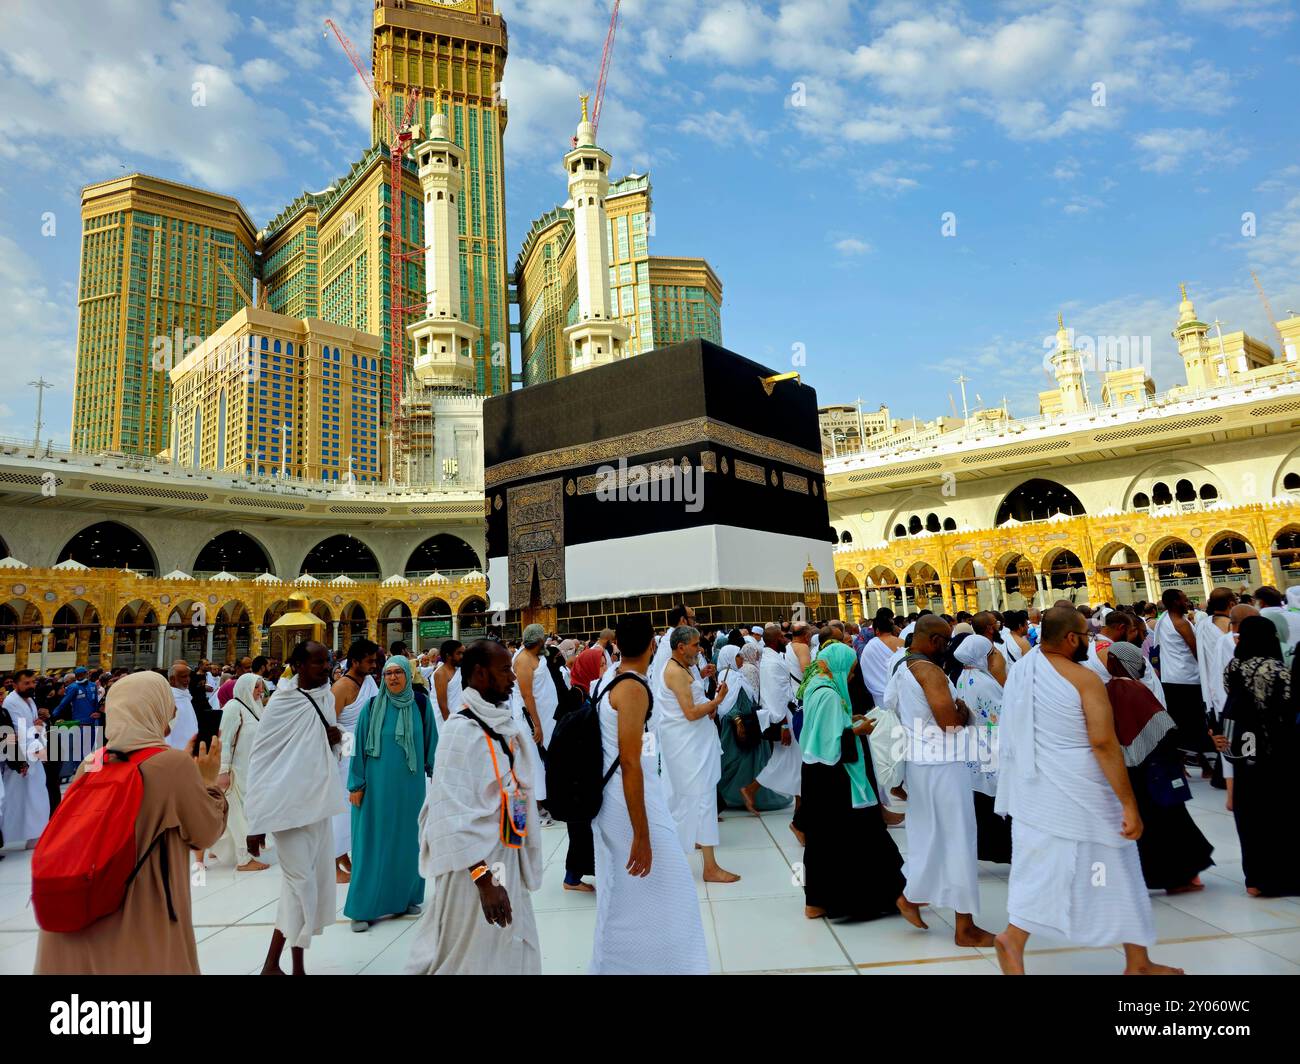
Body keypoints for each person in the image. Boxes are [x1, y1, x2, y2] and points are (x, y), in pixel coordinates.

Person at [994, 607, 1181, 975]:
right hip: (1081, 787)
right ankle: (1136, 962)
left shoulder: (1021, 671)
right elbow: (1102, 744)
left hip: (1033, 789)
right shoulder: (1083, 679)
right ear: (1070, 639)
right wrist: (1129, 803)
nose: (1089, 641)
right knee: (1118, 867)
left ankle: (1015, 939)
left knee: (1041, 869)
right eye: (1085, 635)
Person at [34, 672, 228, 974]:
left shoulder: (94, 760)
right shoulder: (171, 764)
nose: (173, 714)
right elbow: (205, 833)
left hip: (78, 912)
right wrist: (208, 782)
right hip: (137, 919)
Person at [406, 639, 543, 975]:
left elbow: (516, 788)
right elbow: (445, 814)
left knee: (508, 942)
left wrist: (519, 841)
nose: (513, 677)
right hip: (474, 868)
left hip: (505, 854)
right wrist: (484, 881)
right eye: (504, 670)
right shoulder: (459, 732)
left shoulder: (502, 723)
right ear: (480, 675)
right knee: (471, 954)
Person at [590, 615, 710, 973]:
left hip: (619, 795)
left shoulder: (608, 678)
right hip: (626, 798)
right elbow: (630, 761)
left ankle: (628, 962)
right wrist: (641, 832)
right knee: (670, 884)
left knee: (627, 888)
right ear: (652, 646)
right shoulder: (631, 688)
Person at [244, 641, 347, 976]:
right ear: (299, 665)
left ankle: (283, 965)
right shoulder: (282, 703)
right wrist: (255, 821)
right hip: (285, 808)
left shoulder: (327, 698)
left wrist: (338, 739)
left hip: (316, 804)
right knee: (300, 884)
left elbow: (336, 748)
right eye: (318, 662)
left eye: (327, 661)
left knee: (305, 885)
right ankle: (279, 965)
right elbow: (261, 760)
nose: (325, 667)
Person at [889, 615, 992, 945]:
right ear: (934, 641)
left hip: (920, 763)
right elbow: (950, 722)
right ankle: (965, 927)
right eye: (946, 641)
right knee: (960, 838)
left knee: (931, 837)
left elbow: (891, 706)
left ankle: (912, 897)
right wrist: (961, 711)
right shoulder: (930, 672)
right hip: (944, 765)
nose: (948, 648)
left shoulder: (902, 666)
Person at [798, 641, 905, 920]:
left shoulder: (817, 686)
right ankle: (889, 895)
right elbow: (832, 742)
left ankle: (817, 901)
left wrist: (850, 720)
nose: (852, 676)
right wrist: (859, 730)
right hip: (836, 778)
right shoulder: (829, 695)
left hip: (817, 775)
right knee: (857, 837)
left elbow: (824, 728)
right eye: (851, 670)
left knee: (822, 841)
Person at [1104, 641, 1214, 893]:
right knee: (1171, 823)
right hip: (1154, 770)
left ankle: (1159, 876)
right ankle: (1181, 877)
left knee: (1150, 827)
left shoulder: (1105, 690)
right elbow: (1164, 728)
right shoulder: (1136, 690)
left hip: (1127, 770)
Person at [346, 655, 438, 931]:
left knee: (407, 842)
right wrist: (355, 784)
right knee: (372, 844)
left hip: (410, 788)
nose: (394, 678)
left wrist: (441, 780)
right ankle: (362, 908)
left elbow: (432, 745)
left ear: (408, 676)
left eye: (399, 672)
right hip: (375, 788)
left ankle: (405, 897)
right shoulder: (372, 707)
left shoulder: (420, 705)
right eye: (388, 674)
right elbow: (358, 747)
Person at [1222, 616, 1300, 896]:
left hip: (1246, 753)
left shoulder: (1233, 666)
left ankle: (1254, 879)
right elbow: (1288, 711)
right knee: (1279, 814)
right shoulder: (1276, 670)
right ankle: (1280, 879)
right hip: (1275, 754)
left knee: (1250, 816)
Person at [656, 625, 740, 883]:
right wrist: (717, 701)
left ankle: (700, 858)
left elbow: (692, 703)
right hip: (689, 748)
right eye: (695, 645)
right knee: (699, 801)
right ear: (681, 647)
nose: (700, 649)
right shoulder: (675, 672)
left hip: (693, 745)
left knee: (695, 801)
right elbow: (690, 713)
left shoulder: (683, 668)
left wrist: (708, 696)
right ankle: (709, 867)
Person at [951, 635, 1011, 863]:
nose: (997, 656)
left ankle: (989, 848)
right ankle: (1001, 849)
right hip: (990, 746)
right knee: (994, 799)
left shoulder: (966, 675)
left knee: (984, 798)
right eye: (993, 653)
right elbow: (1001, 714)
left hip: (976, 746)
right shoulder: (985, 682)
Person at [715, 644, 788, 813]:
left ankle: (742, 795)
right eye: (737, 656)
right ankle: (734, 796)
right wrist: (738, 720)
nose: (741, 658)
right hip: (738, 727)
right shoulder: (731, 677)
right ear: (730, 659)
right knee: (739, 763)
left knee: (745, 764)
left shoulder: (736, 675)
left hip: (745, 724)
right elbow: (728, 703)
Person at [743, 623, 802, 823]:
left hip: (787, 714)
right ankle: (799, 817)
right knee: (793, 760)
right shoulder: (771, 663)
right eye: (783, 638)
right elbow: (776, 696)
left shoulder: (773, 658)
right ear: (776, 640)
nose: (786, 640)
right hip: (784, 716)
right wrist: (784, 725)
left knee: (788, 760)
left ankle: (751, 790)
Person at [331, 638, 379, 884]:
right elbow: (330, 724)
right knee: (342, 806)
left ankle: (344, 854)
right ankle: (332, 863)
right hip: (347, 750)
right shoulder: (341, 687)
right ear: (355, 661)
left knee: (357, 808)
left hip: (367, 749)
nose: (373, 665)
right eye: (369, 661)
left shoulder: (369, 682)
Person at [1154, 589, 1212, 773]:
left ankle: (1180, 764)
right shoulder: (1181, 623)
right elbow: (1195, 651)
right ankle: (1205, 765)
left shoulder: (1163, 620)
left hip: (1170, 679)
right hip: (1188, 680)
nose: (1188, 602)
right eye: (1184, 599)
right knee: (1197, 723)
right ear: (1175, 602)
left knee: (1178, 723)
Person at [216, 672, 269, 872]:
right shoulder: (233, 708)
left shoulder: (257, 707)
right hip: (236, 770)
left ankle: (227, 849)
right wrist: (223, 770)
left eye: (260, 687)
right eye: (255, 687)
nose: (259, 691)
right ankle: (243, 859)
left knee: (246, 812)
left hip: (253, 770)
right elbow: (225, 741)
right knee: (238, 814)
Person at [1, 669, 50, 847]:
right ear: (15, 685)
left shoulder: (30, 700)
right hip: (20, 756)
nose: (31, 686)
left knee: (36, 796)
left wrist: (40, 725)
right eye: (26, 683)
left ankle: (35, 834)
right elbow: (18, 731)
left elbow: (35, 725)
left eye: (32, 682)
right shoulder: (11, 702)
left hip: (33, 754)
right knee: (13, 798)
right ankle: (8, 835)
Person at [860, 614, 904, 705]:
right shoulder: (902, 642)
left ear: (876, 630)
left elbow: (866, 671)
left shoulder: (869, 647)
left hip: (881, 697)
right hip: (904, 692)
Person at [165, 661, 199, 753]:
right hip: (174, 751)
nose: (188, 679)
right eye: (184, 676)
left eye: (188, 676)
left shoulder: (185, 695)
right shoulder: (168, 699)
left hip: (190, 748)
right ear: (172, 679)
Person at [432, 639, 465, 726]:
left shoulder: (458, 669)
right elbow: (442, 705)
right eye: (458, 653)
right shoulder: (441, 673)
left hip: (459, 716)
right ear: (448, 655)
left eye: (462, 653)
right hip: (444, 721)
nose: (462, 656)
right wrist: (450, 726)